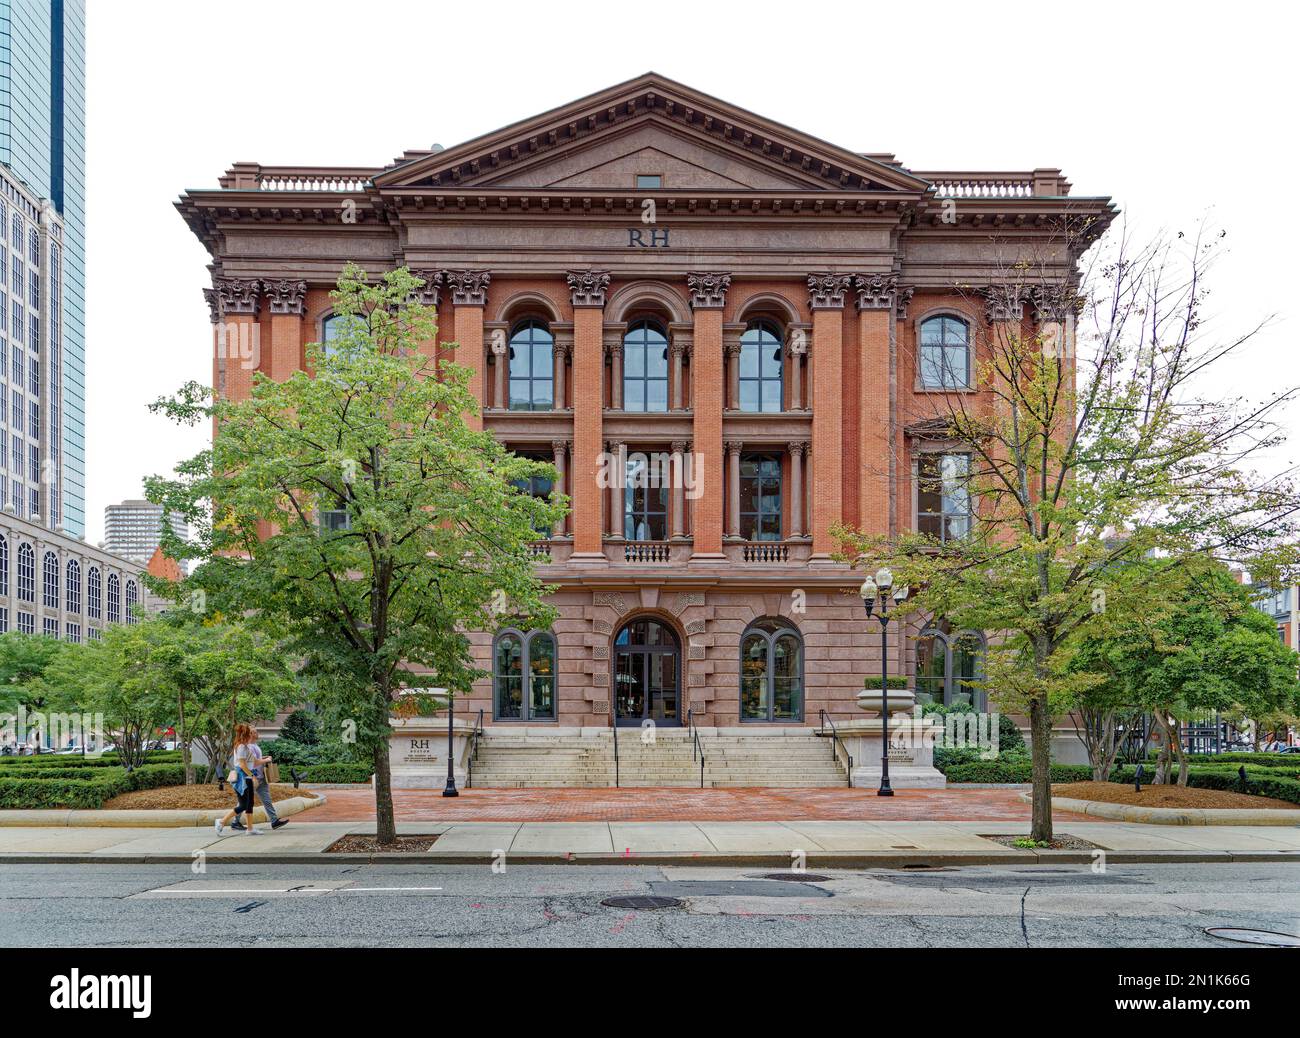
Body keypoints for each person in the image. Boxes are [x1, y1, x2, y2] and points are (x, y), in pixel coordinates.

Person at [230, 725, 288, 831]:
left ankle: (274, 821)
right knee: (244, 802)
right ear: (249, 734)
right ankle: (232, 822)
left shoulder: (252, 746)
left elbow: (254, 760)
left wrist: (263, 759)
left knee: (266, 800)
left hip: (260, 777)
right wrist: (264, 762)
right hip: (252, 778)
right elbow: (249, 764)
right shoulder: (245, 747)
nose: (257, 733)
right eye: (254, 732)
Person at [214, 723, 260, 836]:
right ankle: (222, 821)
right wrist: (253, 776)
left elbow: (252, 762)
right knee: (244, 804)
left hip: (246, 778)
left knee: (249, 804)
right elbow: (242, 765)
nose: (252, 735)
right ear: (246, 735)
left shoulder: (245, 746)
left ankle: (250, 829)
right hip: (242, 780)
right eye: (251, 733)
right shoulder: (241, 747)